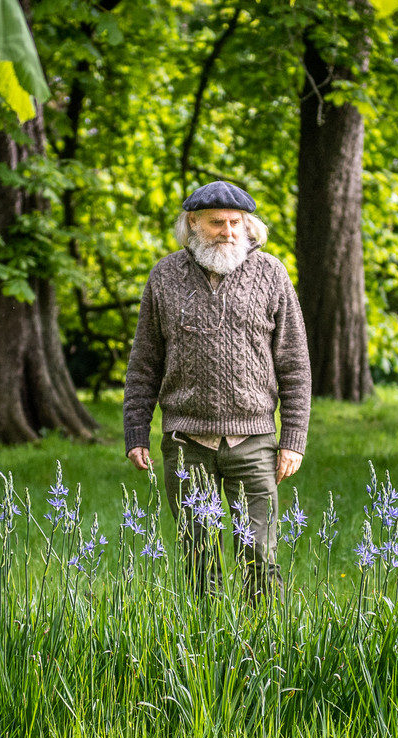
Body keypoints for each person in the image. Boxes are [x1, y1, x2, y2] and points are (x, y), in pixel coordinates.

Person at [123, 181, 311, 596]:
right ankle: (205, 648)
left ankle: (263, 647)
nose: (228, 232)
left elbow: (295, 363)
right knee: (198, 557)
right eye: (217, 223)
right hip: (186, 440)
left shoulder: (271, 274)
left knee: (259, 555)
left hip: (254, 439)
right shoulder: (164, 276)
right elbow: (144, 362)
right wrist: (136, 430)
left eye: (236, 223)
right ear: (193, 223)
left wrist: (293, 438)